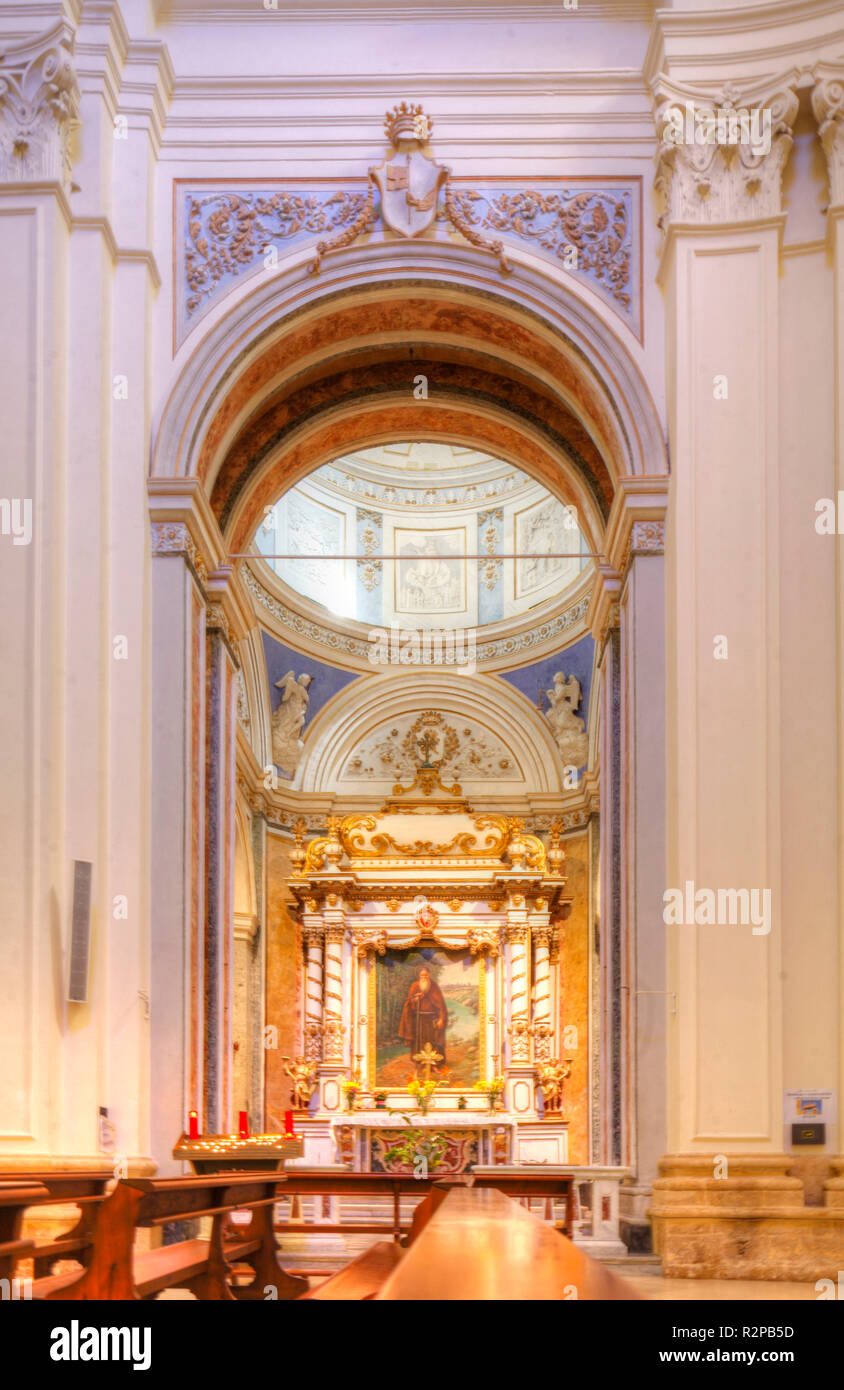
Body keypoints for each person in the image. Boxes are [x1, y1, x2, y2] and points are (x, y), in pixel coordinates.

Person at [397, 967, 447, 1066]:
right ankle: (419, 1064)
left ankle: (434, 1065)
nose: (424, 977)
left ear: (429, 975)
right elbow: (409, 1002)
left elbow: (441, 1005)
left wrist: (441, 1019)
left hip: (432, 1019)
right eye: (422, 975)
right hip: (418, 1020)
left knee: (433, 1042)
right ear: (419, 976)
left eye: (425, 975)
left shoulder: (434, 986)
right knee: (419, 1043)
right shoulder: (415, 986)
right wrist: (415, 1000)